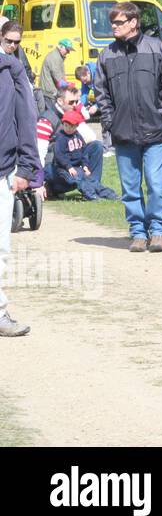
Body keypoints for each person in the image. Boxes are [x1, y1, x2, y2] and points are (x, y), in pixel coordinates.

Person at [94, 1, 162, 253]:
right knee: (130, 189)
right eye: (113, 22)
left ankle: (158, 232)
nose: (114, 26)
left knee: (155, 184)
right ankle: (138, 233)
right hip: (124, 134)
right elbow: (102, 94)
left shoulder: (156, 48)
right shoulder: (107, 55)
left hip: (155, 132)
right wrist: (110, 121)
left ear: (134, 22)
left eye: (118, 22)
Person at [0, 43, 39, 336]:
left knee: (0, 249)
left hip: (1, 171)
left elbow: (26, 117)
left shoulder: (10, 69)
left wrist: (26, 167)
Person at [36, 85, 105, 198]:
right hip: (53, 166)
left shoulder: (73, 114)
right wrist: (38, 182)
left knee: (96, 146)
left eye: (77, 102)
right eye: (71, 102)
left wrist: (78, 120)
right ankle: (50, 186)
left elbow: (91, 137)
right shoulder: (46, 120)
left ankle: (93, 187)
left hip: (72, 163)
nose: (75, 105)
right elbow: (39, 153)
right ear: (60, 101)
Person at [51, 108, 118, 201]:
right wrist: (68, 167)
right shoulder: (61, 137)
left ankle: (110, 195)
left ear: (76, 126)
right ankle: (92, 196)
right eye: (66, 125)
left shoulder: (77, 135)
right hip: (64, 169)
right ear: (63, 124)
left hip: (78, 167)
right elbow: (59, 155)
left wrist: (85, 165)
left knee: (91, 180)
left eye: (72, 126)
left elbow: (83, 152)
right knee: (79, 180)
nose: (68, 129)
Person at [38, 38, 75, 115]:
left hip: (50, 93)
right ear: (60, 47)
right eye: (67, 50)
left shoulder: (57, 56)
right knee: (53, 117)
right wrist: (68, 87)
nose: (68, 52)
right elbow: (58, 79)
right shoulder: (55, 57)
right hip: (50, 93)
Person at [0, 20, 34, 85]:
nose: (13, 45)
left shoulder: (18, 50)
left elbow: (27, 70)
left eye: (16, 42)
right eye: (9, 41)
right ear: (1, 36)